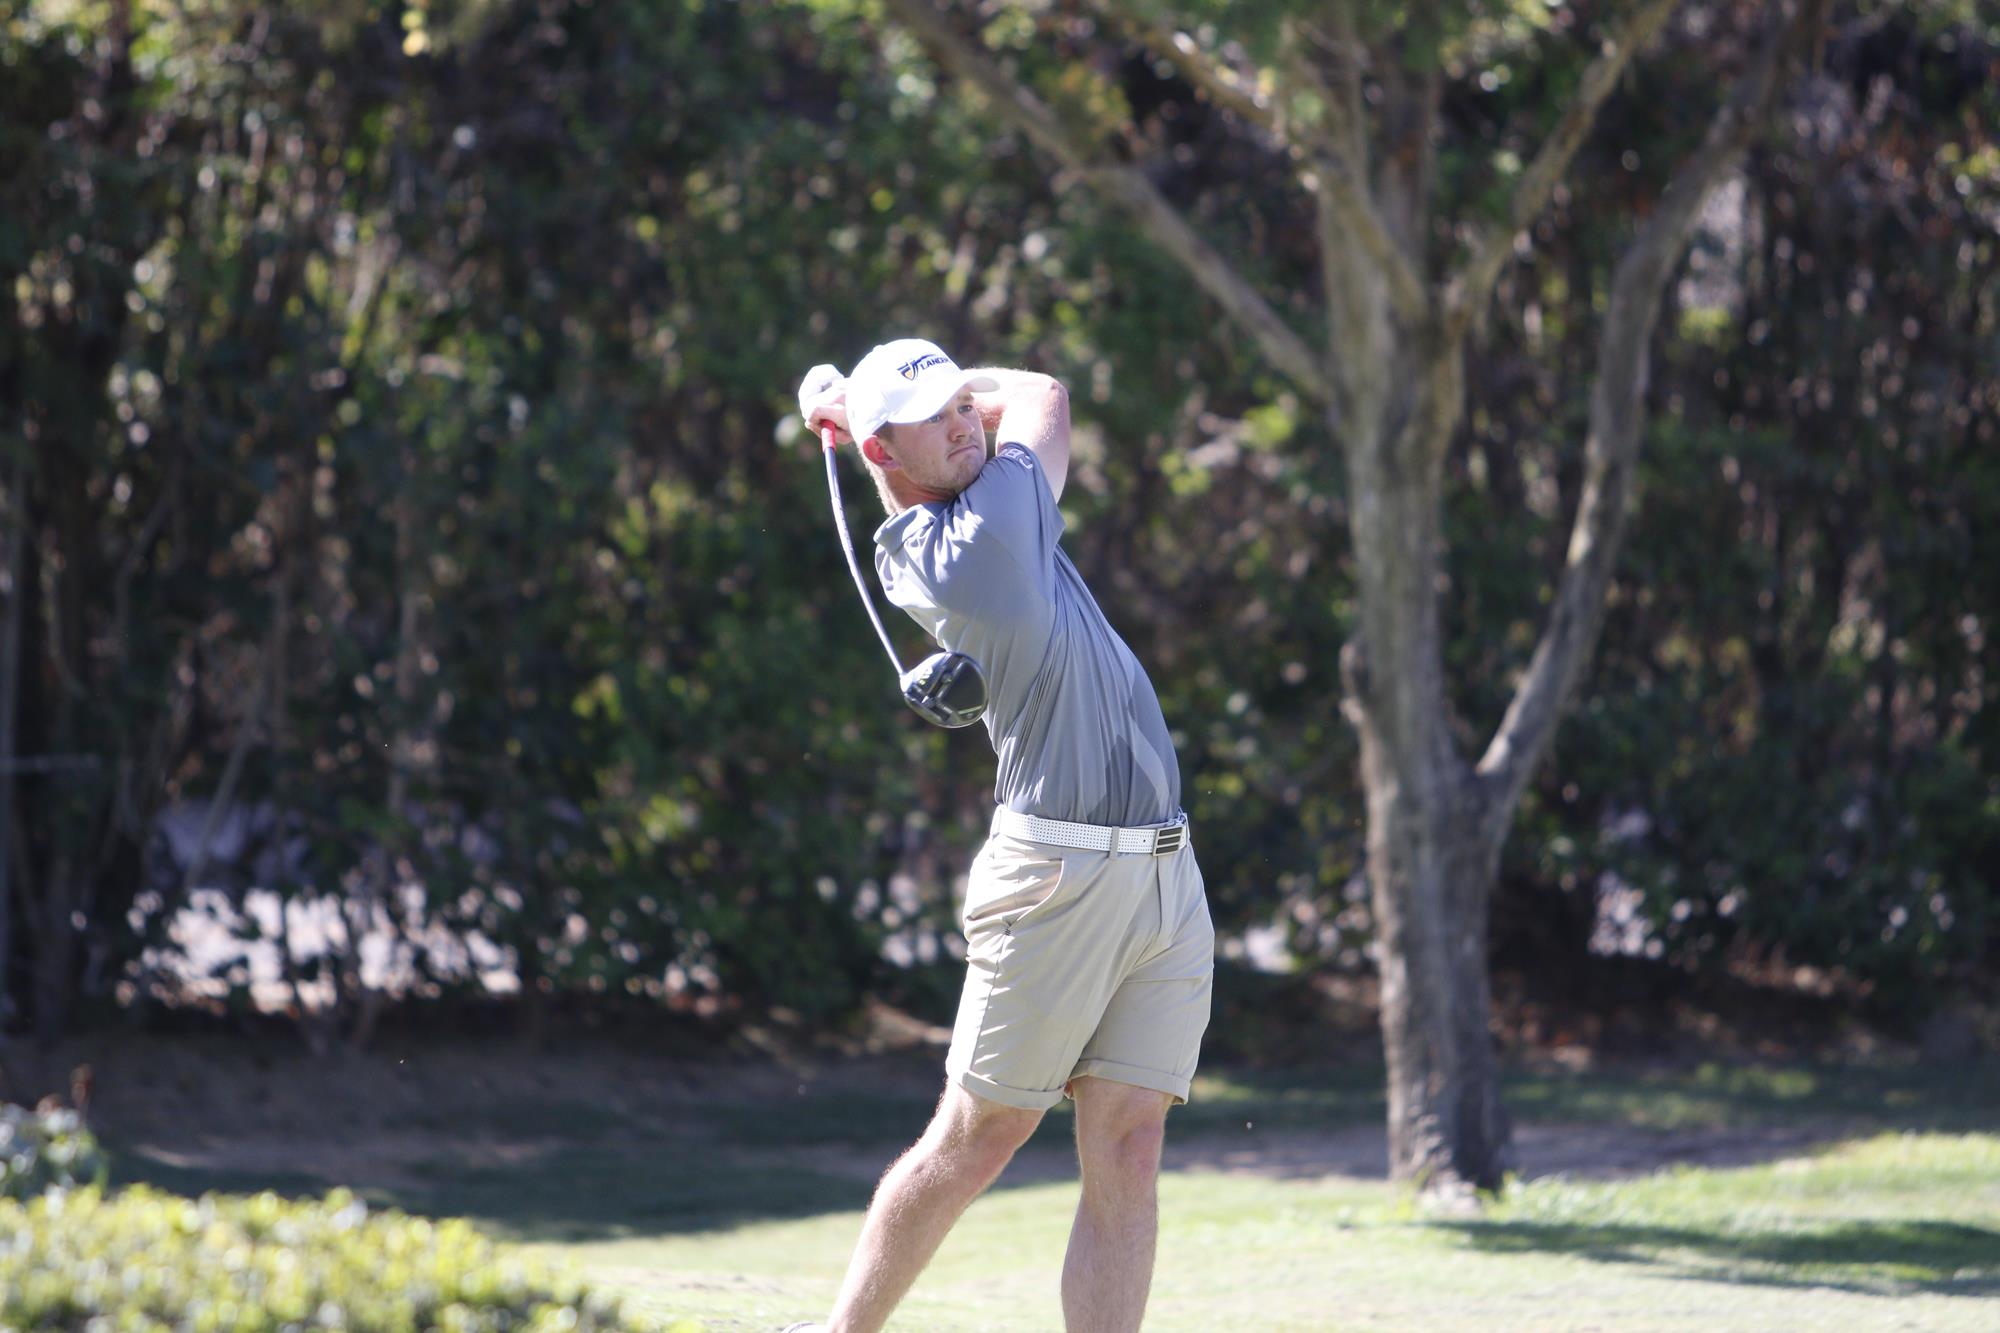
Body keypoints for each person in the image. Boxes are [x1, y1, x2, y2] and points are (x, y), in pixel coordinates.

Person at [783, 338, 1214, 1333]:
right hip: (1054, 878)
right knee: (978, 1135)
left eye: (956, 401)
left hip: (1160, 869)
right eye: (932, 417)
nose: (961, 418)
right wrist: (855, 408)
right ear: (886, 455)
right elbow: (1043, 394)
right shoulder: (989, 536)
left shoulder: (942, 518)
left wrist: (864, 418)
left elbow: (926, 470)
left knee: (1129, 1143)